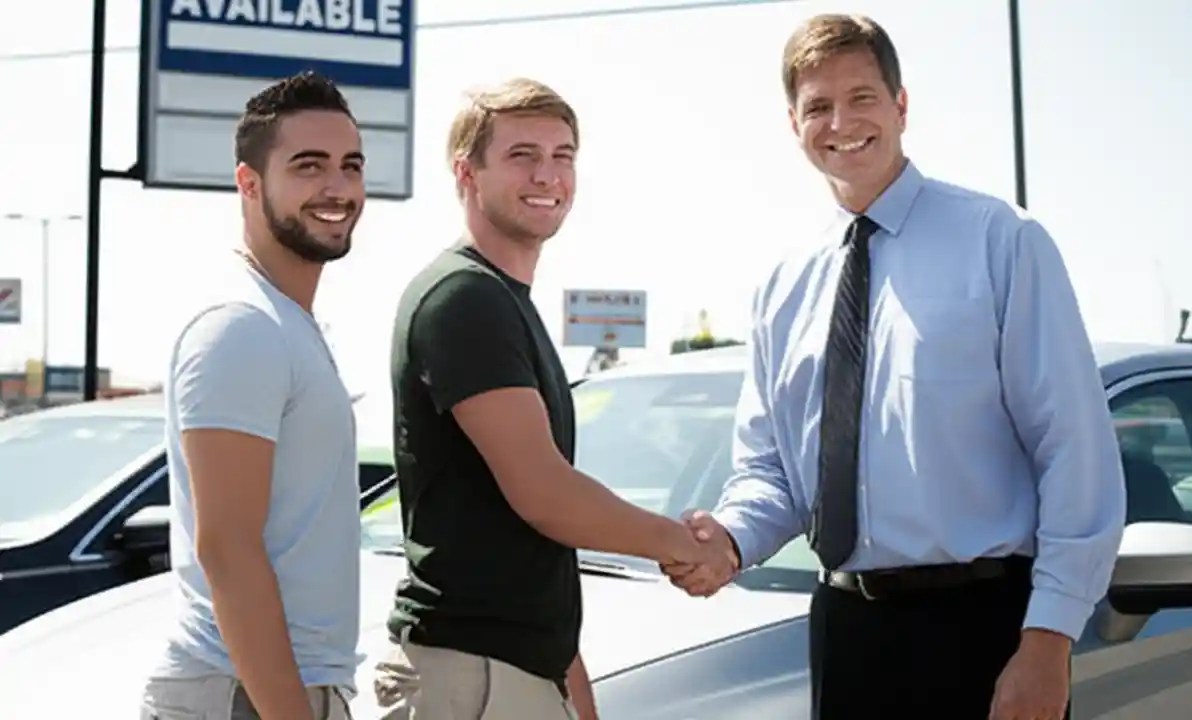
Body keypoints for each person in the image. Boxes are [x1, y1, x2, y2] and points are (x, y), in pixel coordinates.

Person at [664, 13, 1127, 720]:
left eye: (862, 97)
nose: (841, 121)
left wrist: (1048, 642)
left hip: (987, 629)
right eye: (817, 106)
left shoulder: (1002, 242)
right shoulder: (783, 288)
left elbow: (1074, 452)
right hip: (845, 635)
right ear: (793, 125)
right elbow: (774, 476)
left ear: (901, 106)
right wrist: (727, 541)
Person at [374, 77, 728, 720]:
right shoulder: (465, 299)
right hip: (469, 676)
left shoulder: (505, 302)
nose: (548, 174)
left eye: (562, 155)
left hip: (513, 670)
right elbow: (544, 494)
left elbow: (530, 540)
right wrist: (682, 545)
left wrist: (572, 690)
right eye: (522, 155)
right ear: (467, 172)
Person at [140, 71, 367, 720]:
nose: (337, 188)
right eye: (308, 166)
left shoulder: (286, 324)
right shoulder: (241, 327)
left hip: (274, 691)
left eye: (350, 166)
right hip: (240, 694)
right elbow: (228, 547)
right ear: (248, 183)